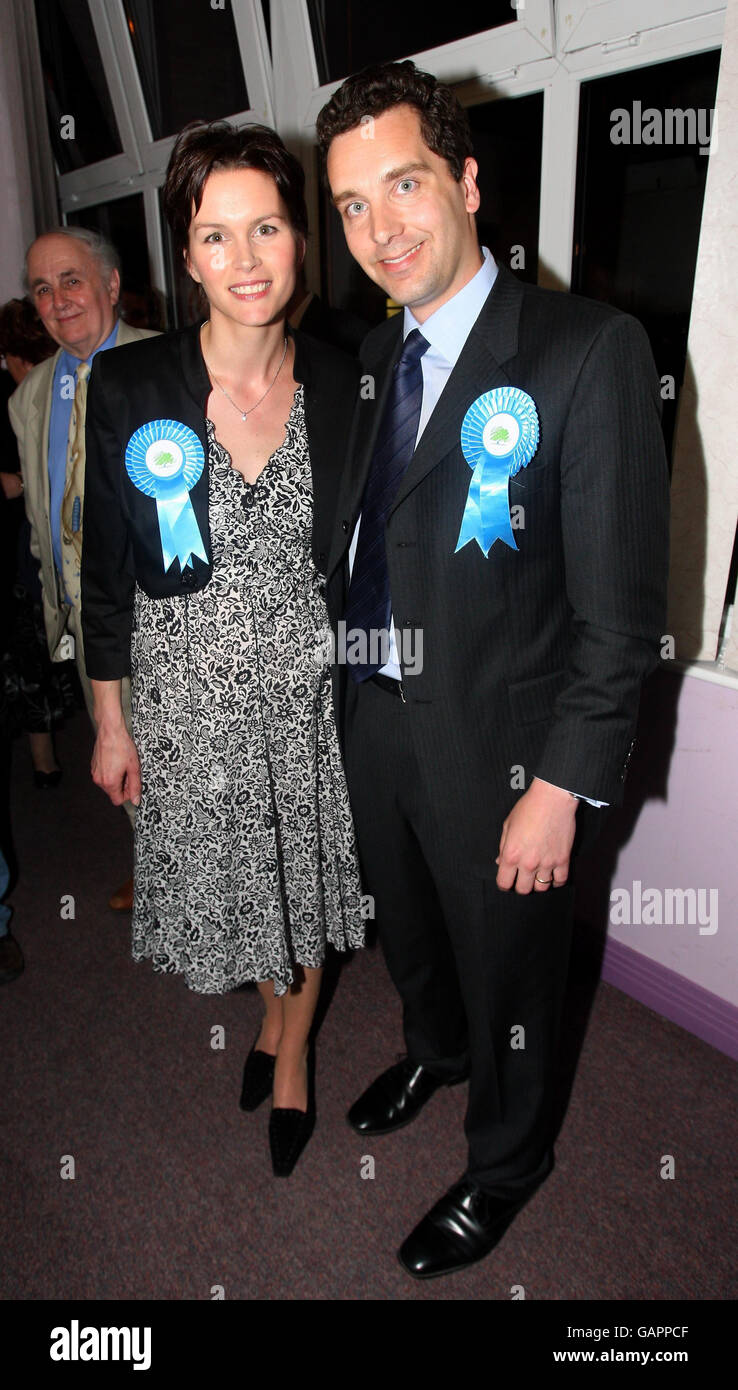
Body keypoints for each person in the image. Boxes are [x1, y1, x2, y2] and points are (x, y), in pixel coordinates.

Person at [317, 61, 670, 1277]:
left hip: (502, 747)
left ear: (468, 180)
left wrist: (561, 786)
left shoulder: (590, 350)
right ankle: (434, 1042)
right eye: (353, 205)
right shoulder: (374, 350)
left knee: (513, 967)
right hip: (371, 708)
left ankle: (508, 1159)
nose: (380, 227)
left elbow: (622, 619)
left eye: (403, 184)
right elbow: (372, 533)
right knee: (408, 924)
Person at [80, 120, 365, 1177]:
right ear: (185, 254)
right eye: (215, 236)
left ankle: (291, 1059)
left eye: (267, 229)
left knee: (301, 891)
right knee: (249, 890)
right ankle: (266, 1020)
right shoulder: (130, 387)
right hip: (186, 701)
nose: (245, 261)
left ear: (300, 239)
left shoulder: (347, 385)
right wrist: (110, 721)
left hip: (306, 702)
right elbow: (104, 573)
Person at [8, 228, 158, 910]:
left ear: (112, 286)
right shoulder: (29, 396)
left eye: (71, 280)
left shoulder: (167, 366)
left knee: (184, 768)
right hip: (83, 627)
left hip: (160, 623)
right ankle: (160, 868)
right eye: (42, 288)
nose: (58, 300)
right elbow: (42, 520)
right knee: (117, 763)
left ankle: (207, 895)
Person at [1, 299, 79, 789]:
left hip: (44, 552)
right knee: (34, 653)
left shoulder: (51, 391)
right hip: (27, 554)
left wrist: (22, 485)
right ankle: (43, 756)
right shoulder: (23, 397)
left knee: (40, 653)